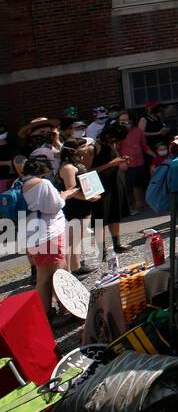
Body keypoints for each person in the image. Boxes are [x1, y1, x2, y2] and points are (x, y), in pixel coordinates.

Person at [19, 155, 83, 315]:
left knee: (43, 276)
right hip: (49, 233)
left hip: (32, 236)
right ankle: (67, 308)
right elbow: (55, 206)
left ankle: (47, 313)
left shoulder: (19, 183)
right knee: (60, 273)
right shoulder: (42, 183)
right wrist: (65, 195)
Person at [56, 138, 98, 274]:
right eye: (83, 147)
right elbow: (71, 190)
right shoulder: (68, 167)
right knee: (71, 240)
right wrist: (89, 198)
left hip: (83, 205)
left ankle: (76, 266)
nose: (87, 148)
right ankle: (68, 271)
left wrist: (95, 193)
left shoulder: (78, 163)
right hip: (74, 207)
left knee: (78, 238)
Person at [90, 122, 131, 255]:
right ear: (108, 135)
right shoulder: (94, 146)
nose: (116, 143)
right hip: (99, 183)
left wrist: (121, 160)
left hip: (115, 180)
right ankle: (101, 250)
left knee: (115, 212)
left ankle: (117, 243)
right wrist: (110, 164)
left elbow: (113, 159)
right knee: (99, 217)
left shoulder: (110, 144)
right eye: (115, 139)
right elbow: (89, 170)